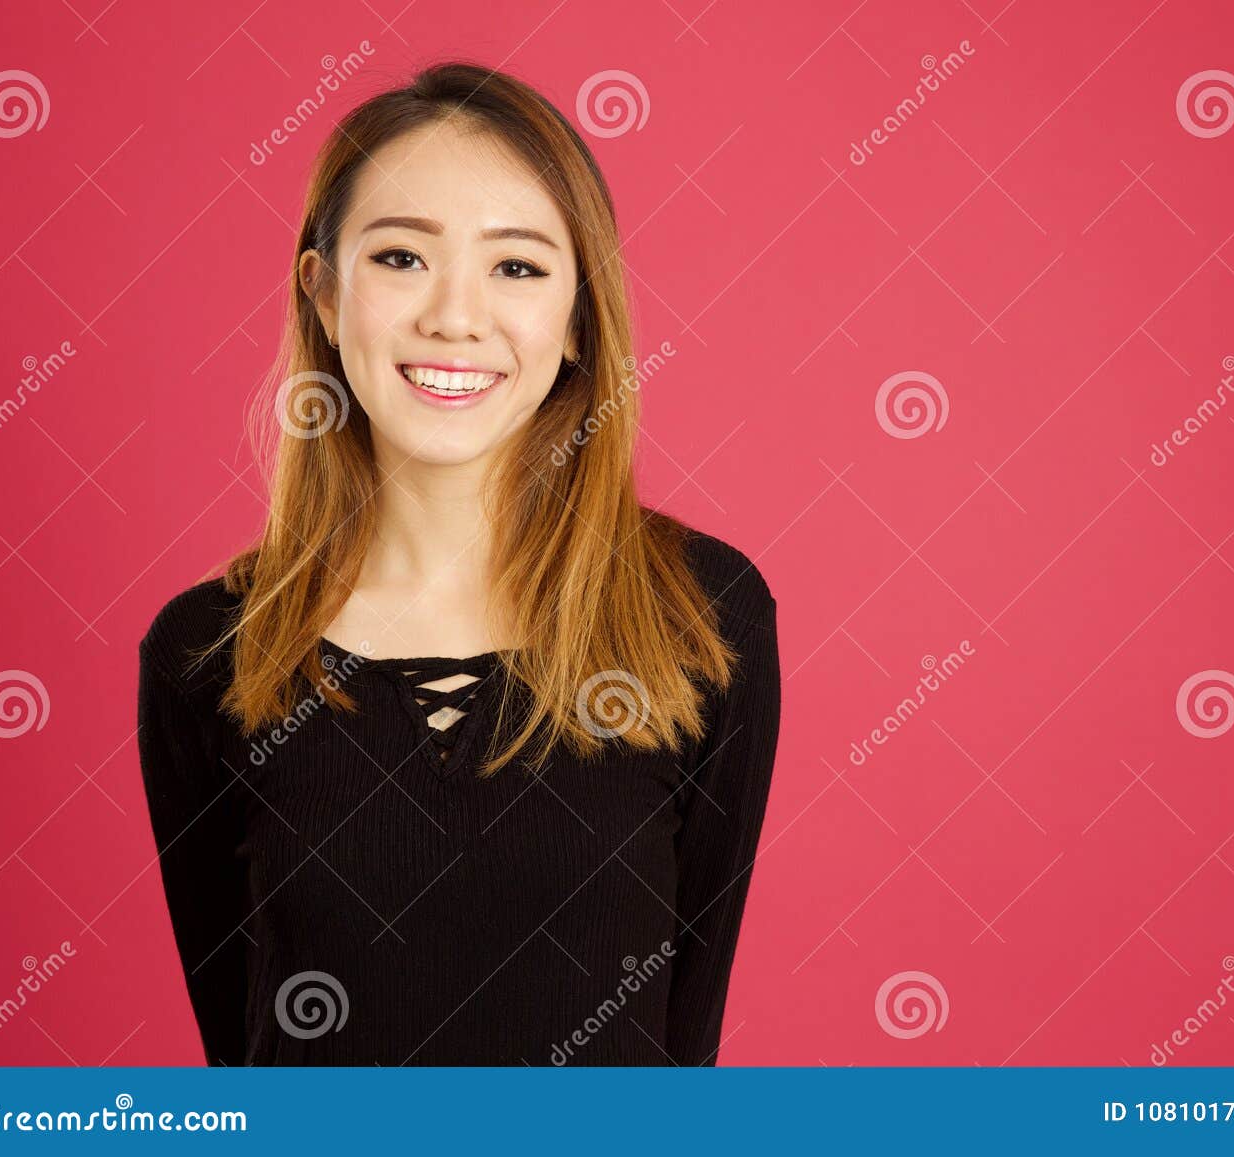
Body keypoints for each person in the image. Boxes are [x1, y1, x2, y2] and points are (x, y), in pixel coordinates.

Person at [136, 61, 781, 1066]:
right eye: (400, 257)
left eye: (517, 267)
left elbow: (683, 1038)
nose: (454, 316)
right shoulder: (207, 648)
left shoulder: (704, 613)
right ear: (322, 290)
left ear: (577, 317)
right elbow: (243, 1051)